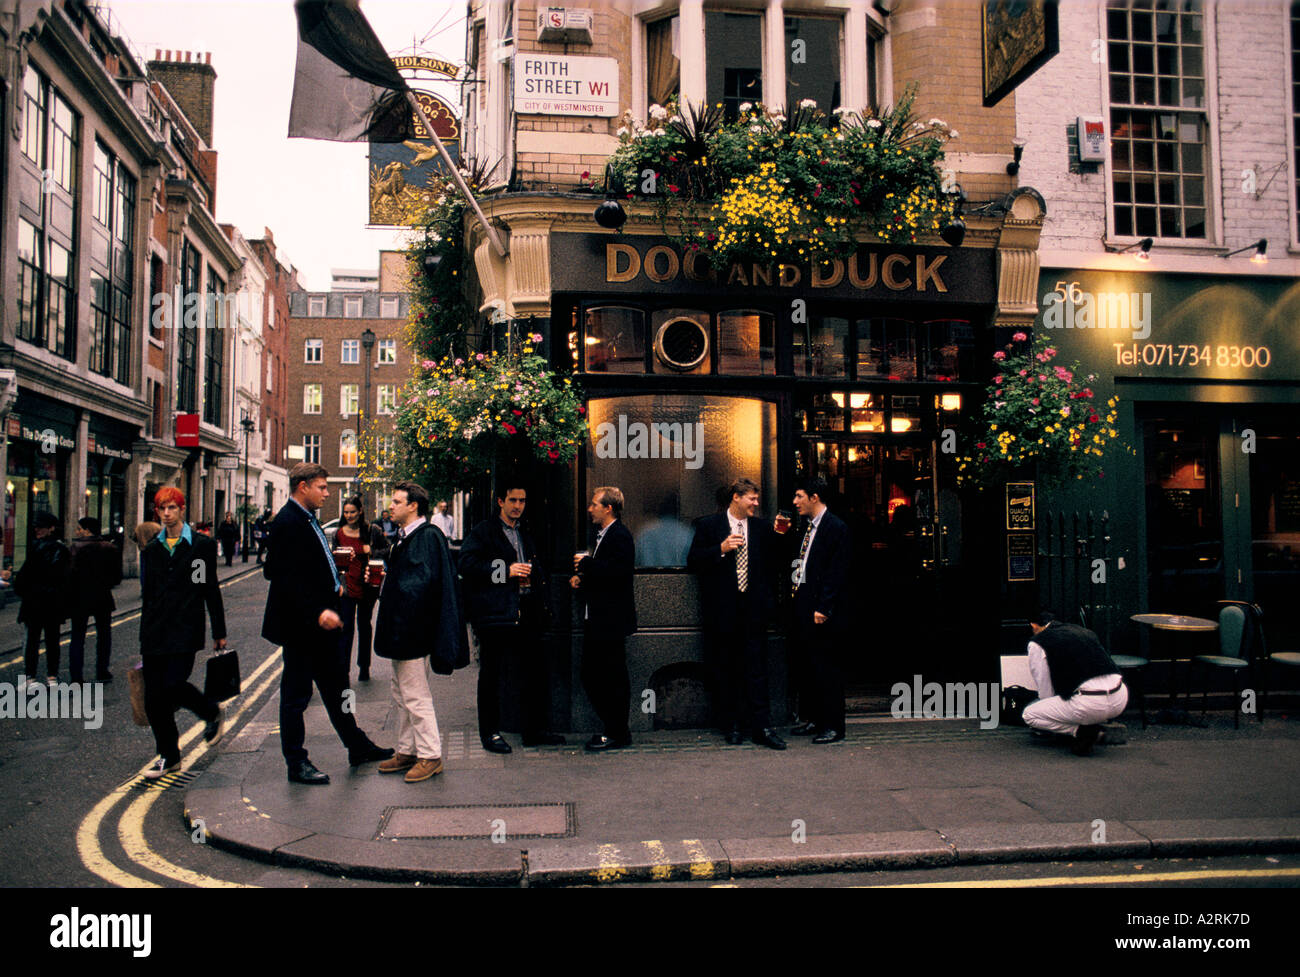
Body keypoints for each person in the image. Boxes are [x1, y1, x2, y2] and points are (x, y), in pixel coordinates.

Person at [262, 462, 393, 785]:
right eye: (321, 487)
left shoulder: (306, 520)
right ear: (302, 486)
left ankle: (357, 745)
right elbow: (279, 574)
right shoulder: (288, 522)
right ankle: (296, 762)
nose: (326, 492)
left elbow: (304, 566)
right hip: (301, 627)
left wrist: (331, 577)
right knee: (296, 695)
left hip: (318, 627)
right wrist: (315, 610)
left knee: (336, 690)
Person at [460, 483, 564, 753]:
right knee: (492, 673)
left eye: (522, 500)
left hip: (527, 607)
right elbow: (467, 565)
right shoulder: (484, 531)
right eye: (513, 500)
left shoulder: (526, 530)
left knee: (533, 671)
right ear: (500, 501)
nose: (518, 505)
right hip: (497, 613)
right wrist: (505, 570)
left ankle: (534, 730)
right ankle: (490, 732)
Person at [373, 481, 464, 783]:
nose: (391, 506)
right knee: (401, 694)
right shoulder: (406, 537)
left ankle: (430, 755)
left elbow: (420, 583)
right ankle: (407, 750)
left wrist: (394, 584)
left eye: (397, 501)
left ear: (414, 506)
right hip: (403, 632)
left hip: (413, 632)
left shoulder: (425, 537)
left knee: (415, 695)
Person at [688, 478, 786, 750]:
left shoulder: (762, 527)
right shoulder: (710, 526)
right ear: (735, 497)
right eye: (751, 498)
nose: (756, 503)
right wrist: (720, 549)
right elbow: (693, 560)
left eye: (756, 499)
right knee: (726, 669)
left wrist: (781, 536)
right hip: (723, 611)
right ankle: (731, 726)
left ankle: (762, 727)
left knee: (757, 670)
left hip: (754, 610)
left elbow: (775, 564)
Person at [138, 488, 226, 779]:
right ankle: (169, 756)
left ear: (182, 509)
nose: (166, 513)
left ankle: (210, 712)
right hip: (154, 632)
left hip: (185, 629)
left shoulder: (200, 546)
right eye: (161, 508)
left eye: (172, 507)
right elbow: (147, 595)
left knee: (174, 685)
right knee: (154, 700)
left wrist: (219, 630)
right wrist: (144, 633)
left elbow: (208, 588)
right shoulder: (151, 550)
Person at [570, 486, 636, 752]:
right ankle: (616, 729)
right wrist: (583, 578)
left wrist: (585, 566)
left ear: (608, 508)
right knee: (599, 675)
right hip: (599, 618)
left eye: (594, 504)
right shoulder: (604, 535)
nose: (590, 509)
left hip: (610, 620)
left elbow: (618, 573)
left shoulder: (620, 535)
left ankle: (617, 730)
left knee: (608, 676)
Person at [788, 476, 852, 744]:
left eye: (799, 496)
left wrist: (824, 607)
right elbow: (800, 562)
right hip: (804, 605)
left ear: (815, 497)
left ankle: (834, 725)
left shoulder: (835, 527)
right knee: (809, 666)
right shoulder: (806, 526)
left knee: (827, 668)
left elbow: (837, 572)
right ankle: (815, 718)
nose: (795, 502)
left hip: (822, 610)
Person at [1023, 611, 1128, 756]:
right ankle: (1090, 723)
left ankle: (1081, 731)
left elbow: (1043, 683)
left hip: (1088, 704)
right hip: (1119, 699)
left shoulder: (1037, 642)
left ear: (1033, 625)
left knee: (1029, 715)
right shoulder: (1083, 631)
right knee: (1083, 698)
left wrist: (1050, 706)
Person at [3, 511, 71, 683]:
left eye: (41, 527)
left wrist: (23, 590)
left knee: (33, 641)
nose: (37, 530)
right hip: (51, 603)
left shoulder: (40, 548)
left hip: (36, 602)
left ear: (51, 528)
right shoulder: (59, 549)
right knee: (51, 641)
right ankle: (51, 676)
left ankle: (31, 677)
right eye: (36, 527)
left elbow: (25, 577)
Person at [331, 495, 388, 682]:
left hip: (367, 585)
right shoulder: (338, 534)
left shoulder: (373, 531)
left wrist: (370, 551)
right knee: (346, 628)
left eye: (352, 512)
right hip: (347, 585)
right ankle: (344, 670)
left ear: (360, 511)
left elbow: (387, 549)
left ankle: (364, 667)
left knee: (364, 625)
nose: (349, 516)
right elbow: (334, 561)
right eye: (346, 512)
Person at [69, 516, 121, 682]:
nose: (77, 531)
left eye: (79, 528)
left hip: (79, 598)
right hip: (102, 597)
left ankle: (76, 677)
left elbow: (69, 575)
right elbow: (117, 577)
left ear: (87, 530)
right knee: (104, 635)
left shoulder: (75, 548)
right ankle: (102, 671)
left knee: (77, 637)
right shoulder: (110, 548)